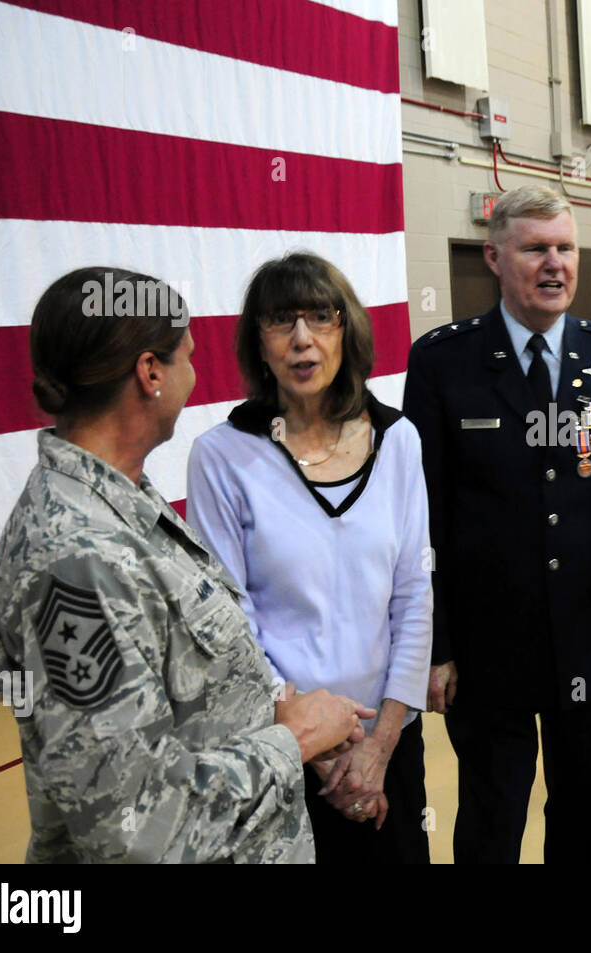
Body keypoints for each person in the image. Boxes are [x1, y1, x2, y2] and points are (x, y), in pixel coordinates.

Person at [0, 267, 372, 863]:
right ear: (150, 373)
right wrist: (292, 739)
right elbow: (131, 826)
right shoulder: (78, 559)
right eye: (186, 357)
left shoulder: (124, 500)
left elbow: (182, 688)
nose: (197, 373)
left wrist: (272, 717)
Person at [403, 185, 591, 864]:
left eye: (565, 247)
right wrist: (434, 648)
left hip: (590, 631)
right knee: (492, 813)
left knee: (588, 809)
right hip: (486, 641)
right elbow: (421, 515)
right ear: (494, 256)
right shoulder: (444, 362)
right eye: (536, 249)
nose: (555, 263)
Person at [187, 253, 433, 864]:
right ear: (258, 342)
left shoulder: (398, 440)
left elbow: (413, 595)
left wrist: (374, 750)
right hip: (280, 750)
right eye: (281, 321)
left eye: (320, 318)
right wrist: (322, 754)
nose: (302, 339)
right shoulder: (222, 457)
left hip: (389, 745)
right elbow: (228, 625)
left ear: (345, 331)